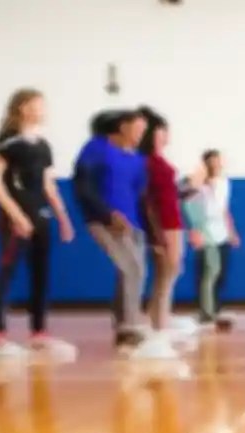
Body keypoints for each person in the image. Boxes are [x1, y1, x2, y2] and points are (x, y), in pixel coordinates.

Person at [0, 88, 76, 363]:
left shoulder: (43, 146)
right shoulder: (7, 143)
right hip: (15, 220)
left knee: (41, 273)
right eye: (38, 105)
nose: (43, 110)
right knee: (7, 270)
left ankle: (38, 332)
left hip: (41, 217)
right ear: (23, 108)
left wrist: (63, 217)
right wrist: (16, 215)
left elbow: (48, 185)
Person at [74, 109, 154, 356]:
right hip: (103, 220)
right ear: (122, 127)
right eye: (138, 128)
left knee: (133, 272)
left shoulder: (137, 159)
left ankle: (123, 325)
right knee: (131, 268)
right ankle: (130, 326)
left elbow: (141, 196)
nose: (142, 134)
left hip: (133, 224)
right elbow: (83, 186)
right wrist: (107, 214)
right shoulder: (96, 148)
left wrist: (150, 233)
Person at [138, 107, 187, 357]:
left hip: (174, 222)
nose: (166, 134)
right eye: (161, 130)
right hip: (164, 225)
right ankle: (157, 328)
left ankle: (159, 324)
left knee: (171, 272)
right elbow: (148, 202)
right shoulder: (148, 163)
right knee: (165, 274)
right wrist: (157, 235)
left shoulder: (160, 161)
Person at [189, 149, 239, 331]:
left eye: (218, 161)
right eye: (212, 162)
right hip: (206, 230)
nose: (216, 165)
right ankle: (206, 312)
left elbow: (224, 208)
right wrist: (195, 230)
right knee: (210, 270)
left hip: (221, 231)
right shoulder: (198, 186)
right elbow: (192, 207)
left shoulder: (224, 183)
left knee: (220, 272)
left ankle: (215, 308)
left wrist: (231, 231)